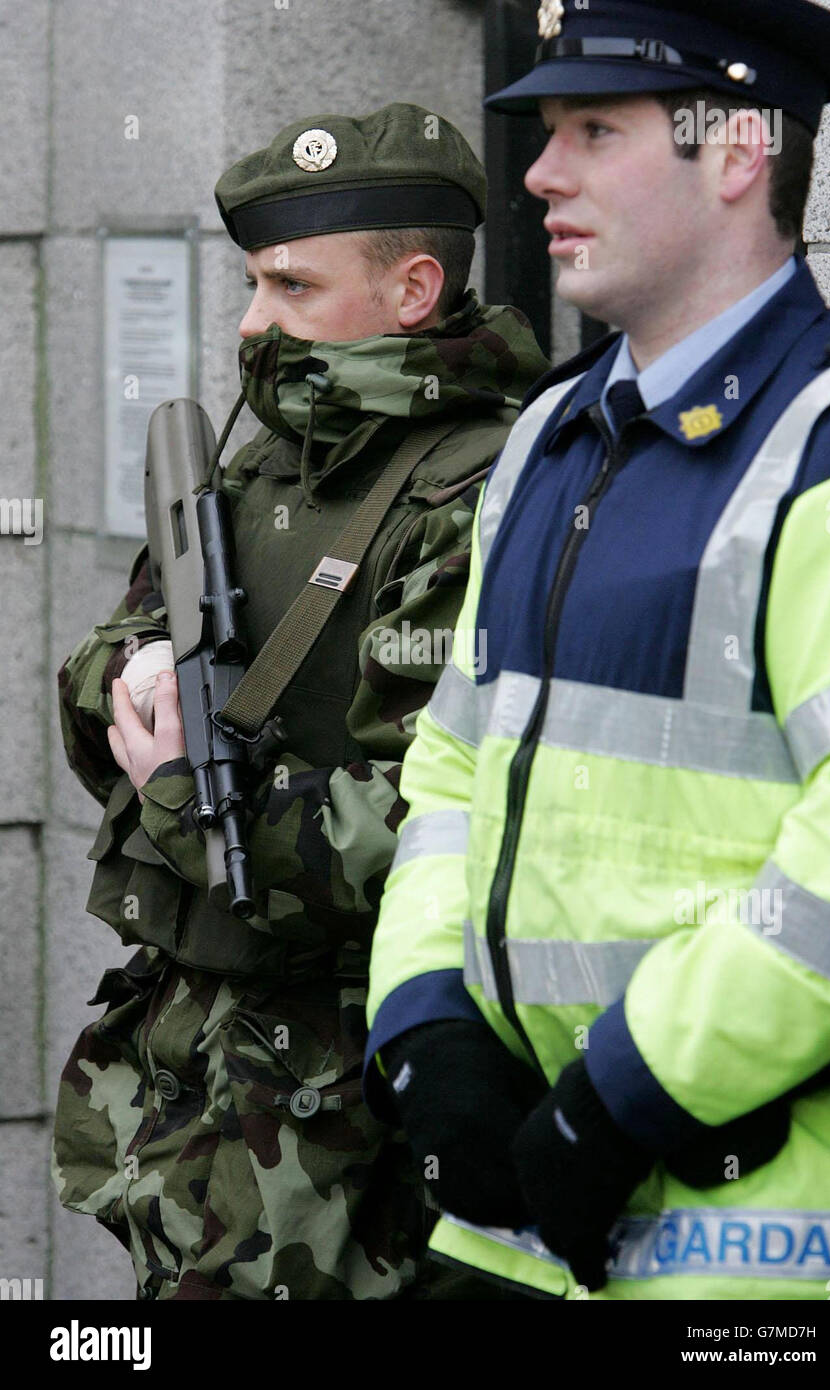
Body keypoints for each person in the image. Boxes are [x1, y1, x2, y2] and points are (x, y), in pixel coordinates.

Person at [364, 2, 830, 1300]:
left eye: (597, 129)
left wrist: (630, 1089)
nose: (538, 174)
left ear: (739, 152)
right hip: (512, 1222)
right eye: (546, 131)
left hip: (744, 1241)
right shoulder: (547, 437)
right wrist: (423, 1019)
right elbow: (453, 764)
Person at [51, 102, 549, 1301]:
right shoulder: (257, 461)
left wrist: (180, 780)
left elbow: (413, 837)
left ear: (413, 288)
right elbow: (104, 670)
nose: (250, 321)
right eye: (252, 286)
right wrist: (126, 690)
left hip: (348, 1109)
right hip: (185, 1085)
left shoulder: (480, 490)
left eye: (289, 287)